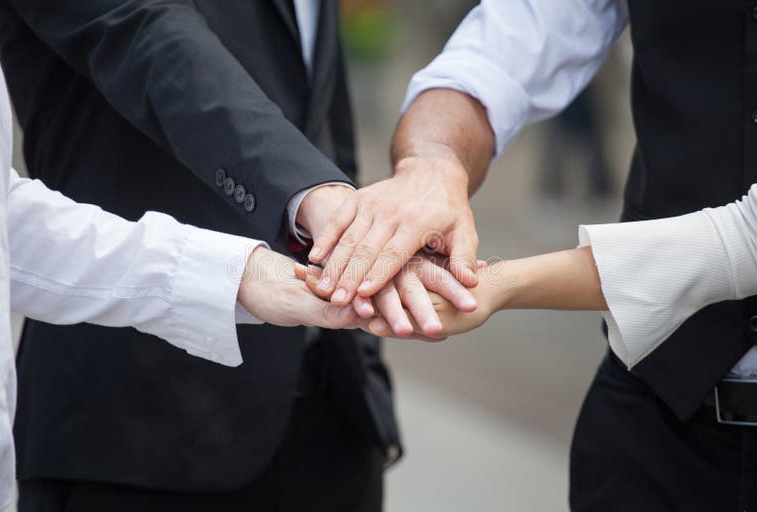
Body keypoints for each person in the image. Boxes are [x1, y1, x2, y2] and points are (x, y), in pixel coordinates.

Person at [0, 1, 473, 510]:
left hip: (333, 421)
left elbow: (321, 115)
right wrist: (328, 203)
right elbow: (149, 36)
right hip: (137, 434)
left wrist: (365, 365)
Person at [299, 0, 757, 509]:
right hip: (653, 411)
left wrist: (500, 284)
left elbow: (746, 235)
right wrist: (433, 163)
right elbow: (519, 33)